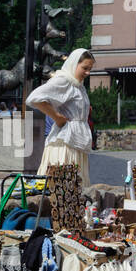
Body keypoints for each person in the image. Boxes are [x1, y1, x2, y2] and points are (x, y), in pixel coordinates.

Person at [27, 48, 95, 187]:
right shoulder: (64, 80)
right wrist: (57, 117)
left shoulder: (78, 85)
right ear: (74, 63)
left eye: (90, 69)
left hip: (76, 143)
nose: (87, 72)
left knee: (75, 192)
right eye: (85, 68)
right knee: (63, 191)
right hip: (65, 143)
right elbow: (35, 98)